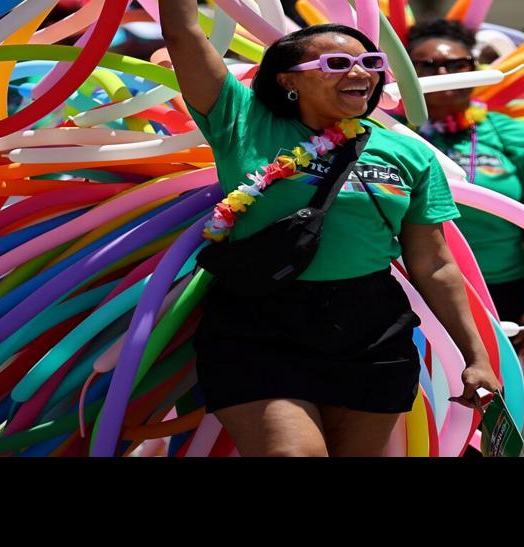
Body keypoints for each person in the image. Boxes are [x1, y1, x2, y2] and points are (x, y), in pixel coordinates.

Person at [159, 0, 498, 456]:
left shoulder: (410, 154)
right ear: (289, 80)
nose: (360, 73)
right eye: (336, 63)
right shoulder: (241, 121)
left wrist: (476, 356)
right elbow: (182, 35)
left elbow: (434, 264)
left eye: (370, 63)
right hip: (257, 326)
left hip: (370, 330)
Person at [405, 18, 524, 357]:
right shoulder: (381, 134)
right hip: (409, 294)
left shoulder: (522, 140)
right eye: (427, 65)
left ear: (475, 69)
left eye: (458, 65)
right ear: (407, 73)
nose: (443, 74)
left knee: (494, 386)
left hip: (500, 293)